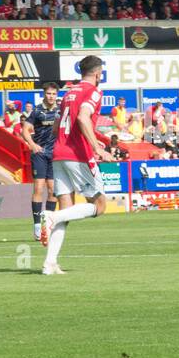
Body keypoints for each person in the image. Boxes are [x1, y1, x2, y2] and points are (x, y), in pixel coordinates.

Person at [39, 55, 117, 276]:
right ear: (97, 73)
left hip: (59, 152)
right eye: (101, 72)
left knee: (67, 210)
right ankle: (50, 217)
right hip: (77, 154)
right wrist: (97, 148)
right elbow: (83, 118)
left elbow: (56, 127)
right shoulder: (93, 91)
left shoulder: (68, 93)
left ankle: (49, 264)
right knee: (100, 205)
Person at [20, 82, 62, 241]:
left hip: (55, 154)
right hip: (40, 154)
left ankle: (48, 224)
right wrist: (32, 144)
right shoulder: (37, 111)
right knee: (38, 187)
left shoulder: (60, 110)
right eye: (48, 94)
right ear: (44, 94)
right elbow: (24, 129)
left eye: (54, 94)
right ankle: (37, 225)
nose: (51, 96)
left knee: (53, 191)